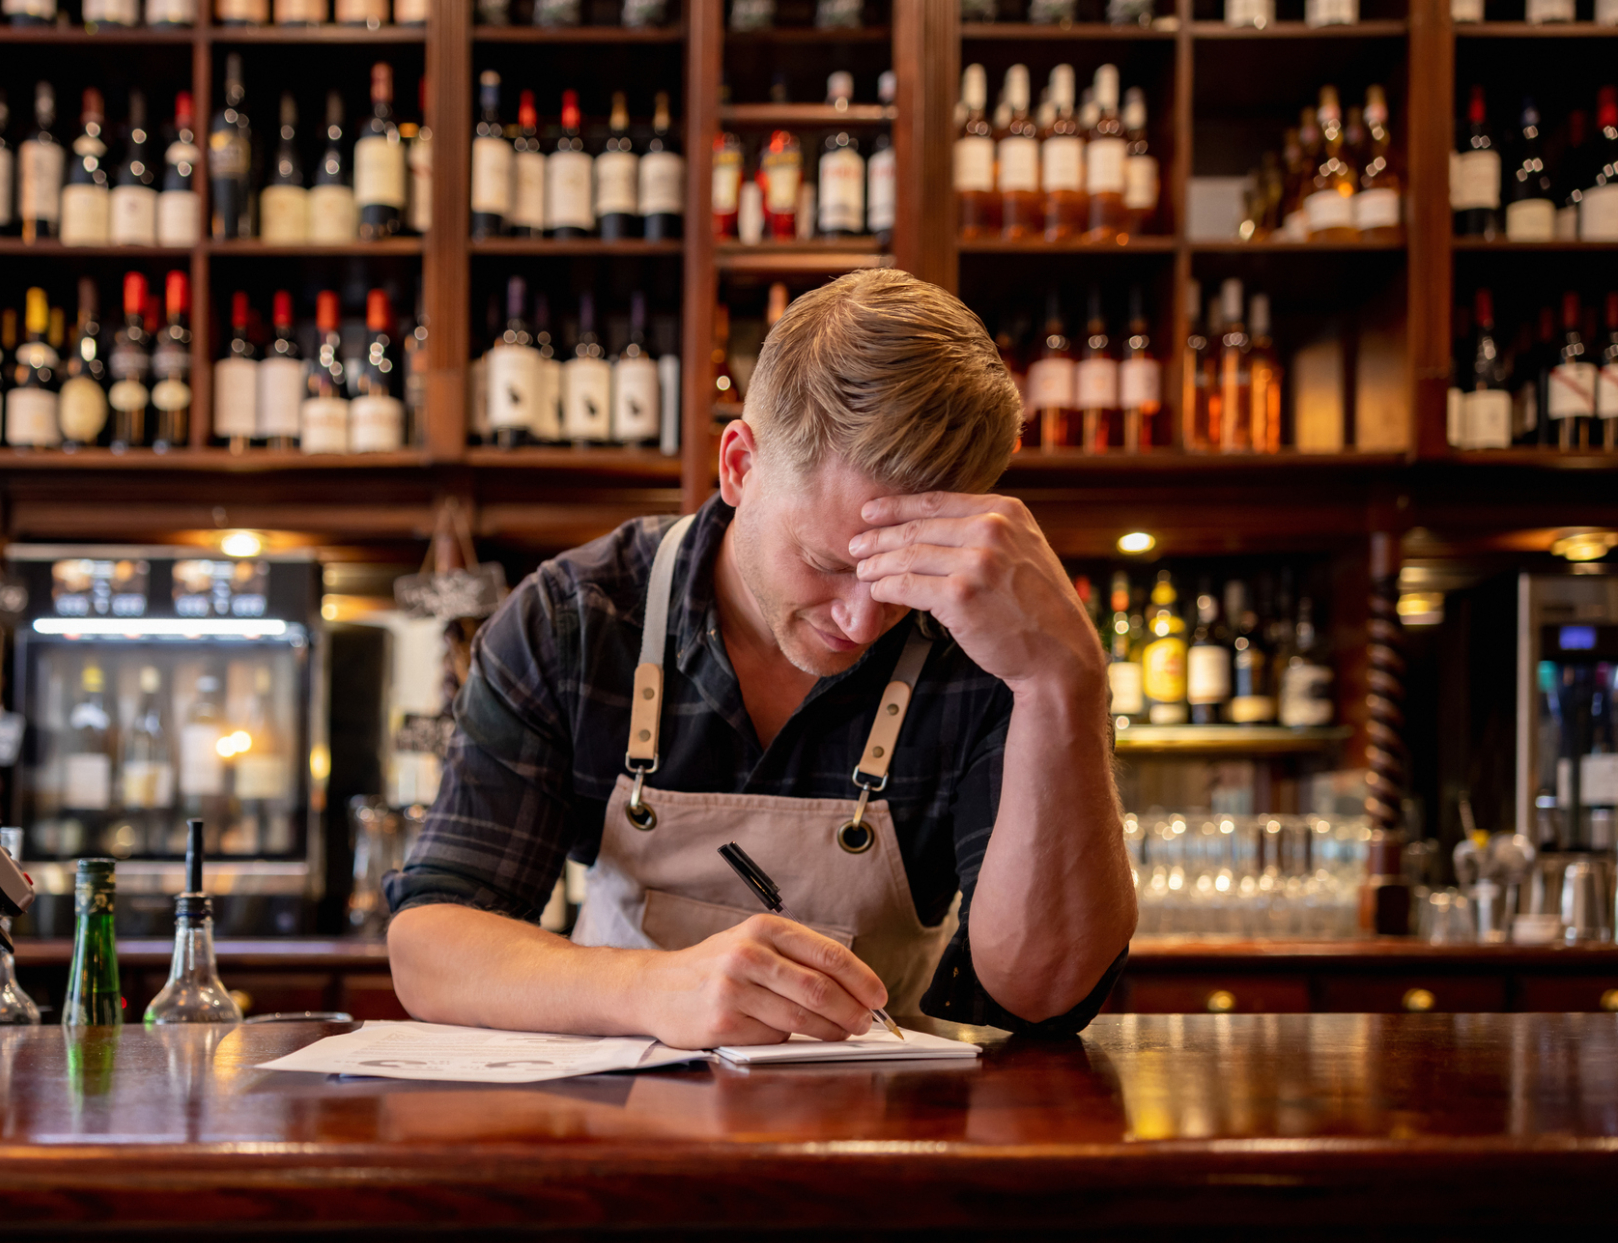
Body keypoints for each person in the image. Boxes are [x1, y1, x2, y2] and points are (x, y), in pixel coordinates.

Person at [386, 269, 1136, 1049]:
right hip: (621, 1109)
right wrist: (653, 987)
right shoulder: (575, 619)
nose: (861, 619)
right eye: (826, 563)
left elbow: (1042, 993)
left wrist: (1062, 681)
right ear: (740, 466)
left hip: (890, 1110)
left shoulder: (990, 641)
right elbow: (429, 949)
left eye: (902, 576)